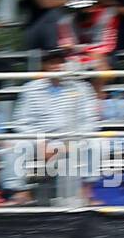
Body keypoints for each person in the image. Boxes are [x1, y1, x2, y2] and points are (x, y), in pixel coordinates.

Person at [12, 48, 100, 201]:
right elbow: (21, 123)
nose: (57, 65)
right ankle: (21, 192)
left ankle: (87, 192)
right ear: (45, 65)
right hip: (40, 140)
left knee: (96, 143)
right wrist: (41, 142)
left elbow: (90, 121)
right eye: (52, 62)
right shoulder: (31, 89)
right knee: (15, 144)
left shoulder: (82, 88)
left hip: (73, 138)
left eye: (60, 61)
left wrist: (70, 143)